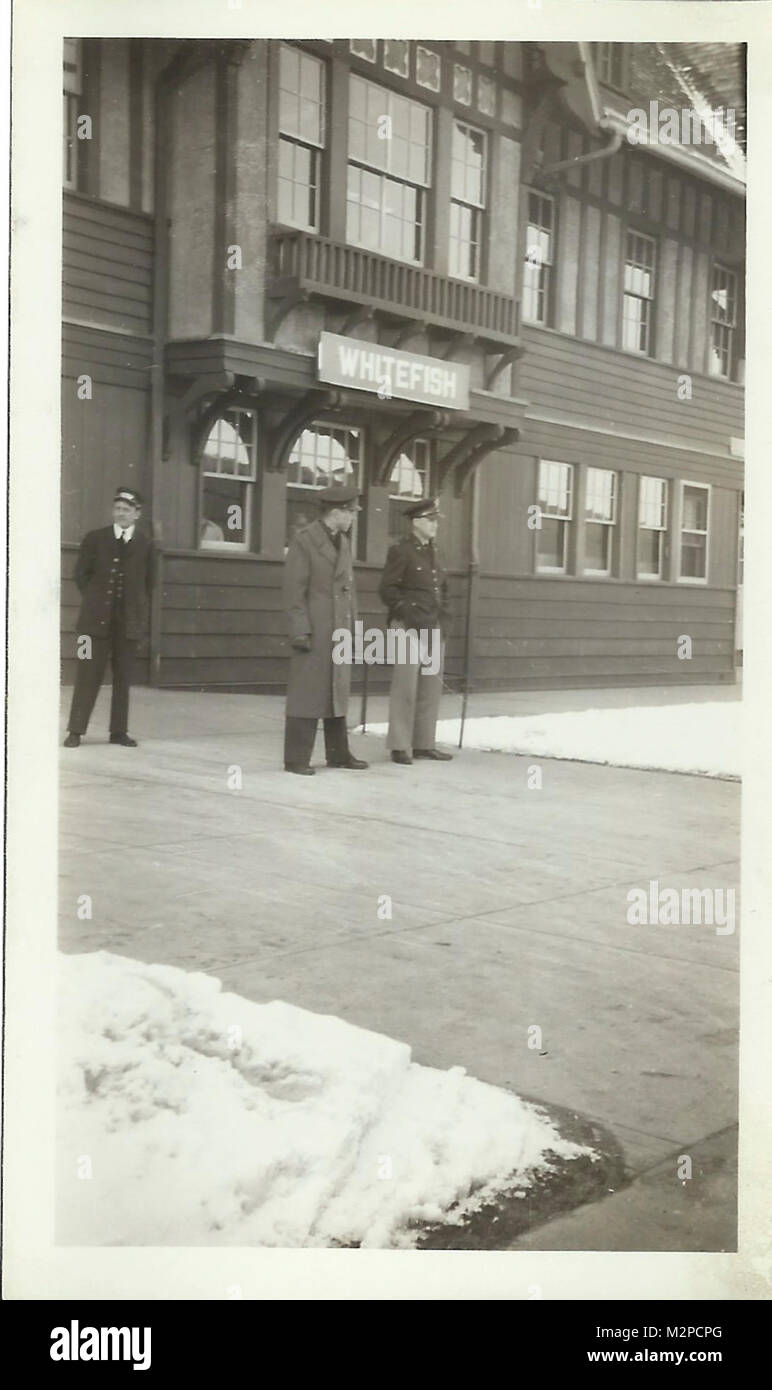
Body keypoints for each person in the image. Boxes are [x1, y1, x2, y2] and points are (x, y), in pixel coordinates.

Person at [283, 484, 369, 776]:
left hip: (339, 629)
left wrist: (354, 629)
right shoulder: (304, 541)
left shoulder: (342, 541)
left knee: (338, 693)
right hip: (315, 630)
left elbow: (349, 590)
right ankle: (296, 759)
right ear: (336, 512)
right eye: (351, 512)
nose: (354, 517)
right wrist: (300, 630)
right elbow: (294, 592)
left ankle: (339, 754)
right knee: (306, 693)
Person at [64, 487, 154, 748]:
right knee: (87, 675)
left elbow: (150, 583)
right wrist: (96, 601)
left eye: (126, 510)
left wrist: (134, 610)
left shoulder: (145, 544)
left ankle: (118, 732)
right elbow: (81, 575)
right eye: (117, 509)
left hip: (127, 625)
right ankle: (76, 731)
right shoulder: (95, 538)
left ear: (137, 513)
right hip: (93, 624)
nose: (121, 513)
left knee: (123, 679)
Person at [379, 497, 453, 765]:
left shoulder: (437, 552)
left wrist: (443, 617)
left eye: (436, 521)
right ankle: (400, 745)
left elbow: (442, 588)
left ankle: (424, 743)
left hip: (433, 625)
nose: (435, 526)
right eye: (431, 521)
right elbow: (387, 589)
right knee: (405, 687)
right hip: (409, 627)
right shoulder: (401, 551)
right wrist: (405, 611)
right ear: (417, 523)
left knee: (430, 687)